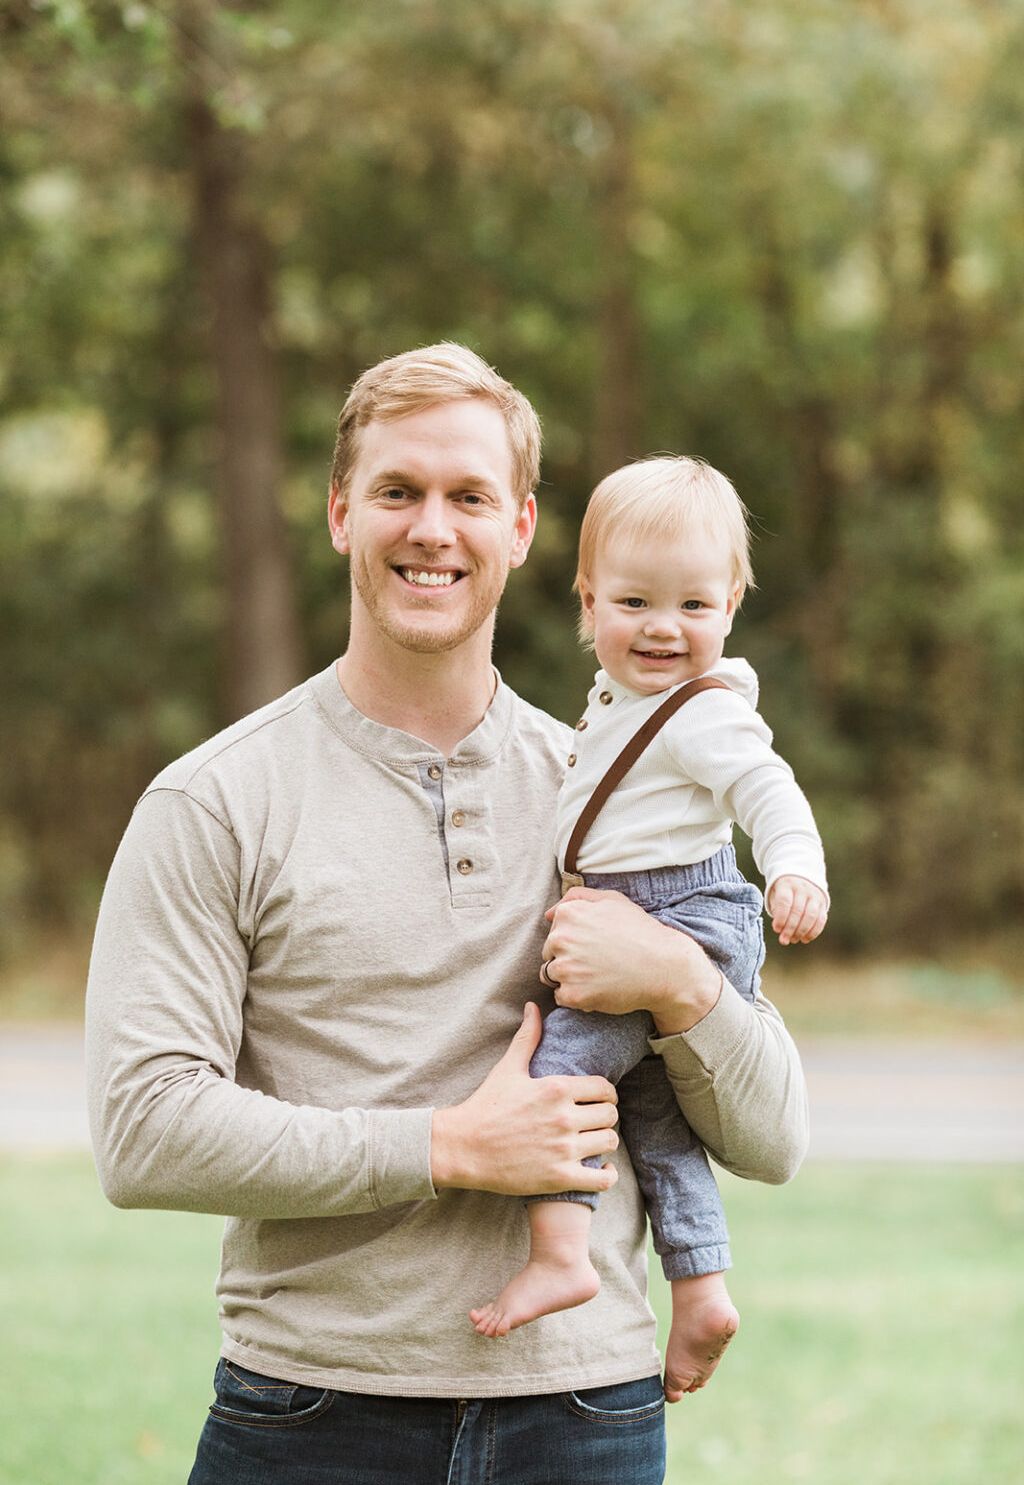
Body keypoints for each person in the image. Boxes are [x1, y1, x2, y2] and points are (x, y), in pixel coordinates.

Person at [85, 345, 810, 1485]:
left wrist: (678, 982)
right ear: (339, 515)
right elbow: (143, 1132)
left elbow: (773, 1140)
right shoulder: (213, 802)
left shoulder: (619, 797)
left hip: (586, 1412)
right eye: (397, 492)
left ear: (521, 530)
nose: (433, 528)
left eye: (468, 496)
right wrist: (449, 1148)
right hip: (311, 1413)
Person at [470, 456, 828, 1402]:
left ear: (731, 606)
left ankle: (560, 1253)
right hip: (657, 906)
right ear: (587, 604)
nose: (664, 627)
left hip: (682, 912)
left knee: (562, 1073)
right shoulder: (616, 706)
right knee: (654, 1117)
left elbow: (768, 790)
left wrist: (795, 868)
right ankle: (702, 1285)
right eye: (634, 602)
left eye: (694, 607)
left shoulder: (701, 714)